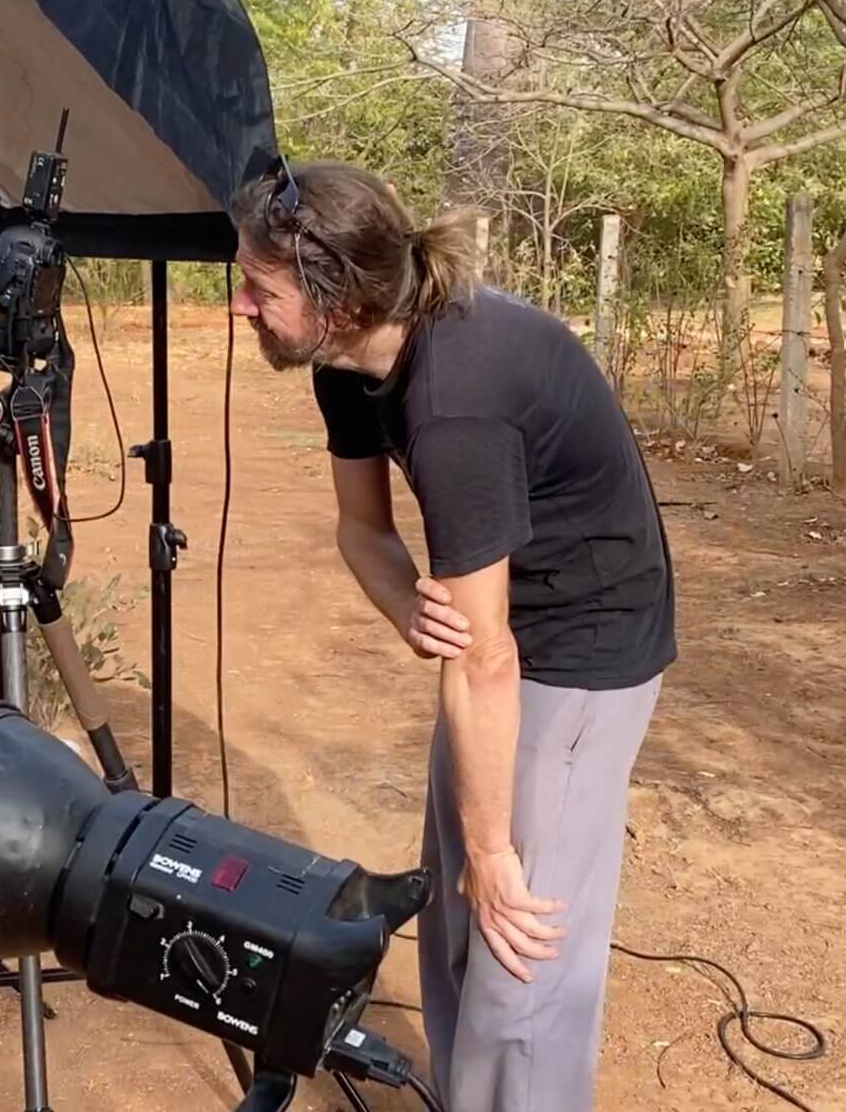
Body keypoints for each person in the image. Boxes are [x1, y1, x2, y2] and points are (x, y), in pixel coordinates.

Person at [229, 159, 676, 1111]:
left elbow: (486, 661)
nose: (240, 307)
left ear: (338, 301)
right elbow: (364, 531)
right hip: (507, 637)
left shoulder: (455, 403)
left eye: (258, 290)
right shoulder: (350, 367)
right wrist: (402, 605)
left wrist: (496, 850)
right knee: (458, 917)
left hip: (583, 647)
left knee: (519, 946)